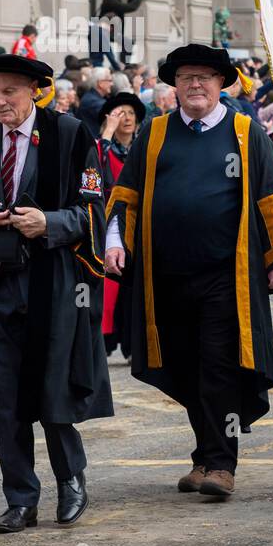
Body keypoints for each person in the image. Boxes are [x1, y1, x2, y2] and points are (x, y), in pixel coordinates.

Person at [103, 44, 273, 498]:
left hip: (225, 277)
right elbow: (126, 195)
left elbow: (271, 196)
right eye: (187, 77)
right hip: (165, 277)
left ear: (221, 84)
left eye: (206, 77)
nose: (196, 84)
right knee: (183, 366)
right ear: (174, 86)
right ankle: (203, 454)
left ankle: (220, 463)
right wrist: (116, 243)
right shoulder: (154, 134)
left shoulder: (244, 131)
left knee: (218, 365)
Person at [0, 53, 111, 533]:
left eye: (8, 92)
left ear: (34, 90)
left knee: (53, 388)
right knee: (5, 396)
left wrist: (49, 222)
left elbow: (95, 211)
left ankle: (71, 480)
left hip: (53, 286)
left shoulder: (71, 135)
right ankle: (20, 497)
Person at [97, 91, 145, 359]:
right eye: (120, 113)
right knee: (110, 285)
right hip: (108, 224)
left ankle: (134, 343)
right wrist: (107, 133)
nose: (126, 118)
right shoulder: (100, 147)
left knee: (136, 287)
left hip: (137, 223)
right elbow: (94, 169)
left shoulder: (143, 145)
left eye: (130, 112)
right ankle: (105, 340)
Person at [92, 0, 143, 69]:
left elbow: (126, 5)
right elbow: (131, 7)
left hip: (110, 33)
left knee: (127, 43)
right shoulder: (112, 2)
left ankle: (123, 65)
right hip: (108, 33)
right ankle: (124, 66)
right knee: (128, 43)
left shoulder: (111, 1)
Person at [77, 68, 114, 140]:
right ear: (100, 83)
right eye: (110, 80)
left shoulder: (94, 97)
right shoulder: (93, 101)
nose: (112, 84)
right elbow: (113, 116)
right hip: (93, 143)